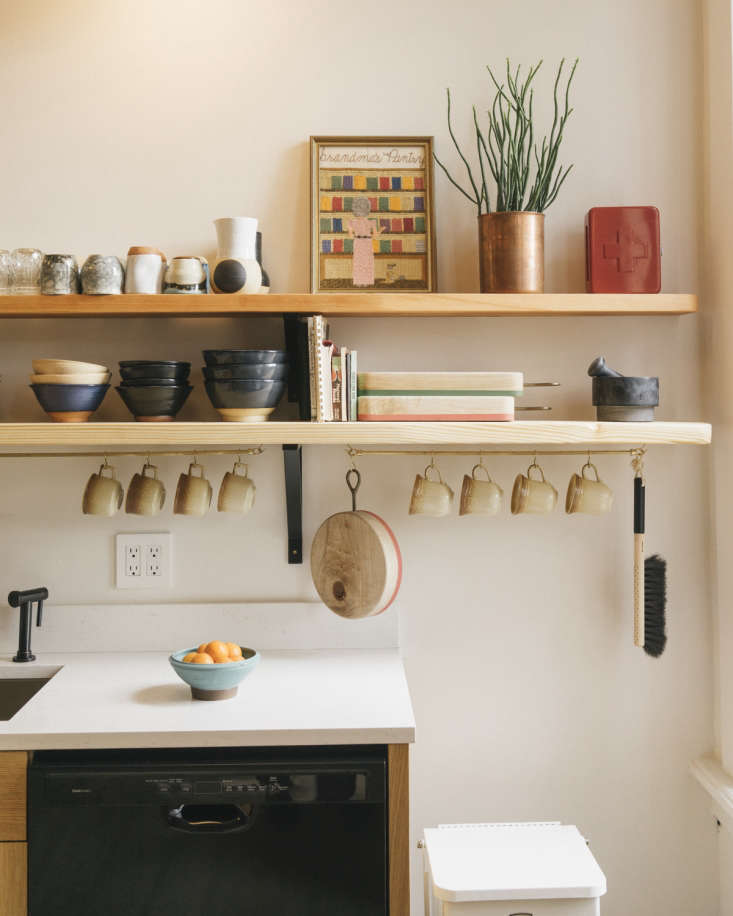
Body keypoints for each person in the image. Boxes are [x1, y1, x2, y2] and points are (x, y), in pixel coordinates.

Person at [347, 197, 380, 287]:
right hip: (368, 242)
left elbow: (350, 236)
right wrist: (381, 230)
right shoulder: (372, 222)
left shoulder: (351, 222)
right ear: (367, 209)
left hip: (358, 242)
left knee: (358, 262)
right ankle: (366, 281)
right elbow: (375, 236)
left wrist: (357, 235)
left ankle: (358, 282)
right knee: (367, 262)